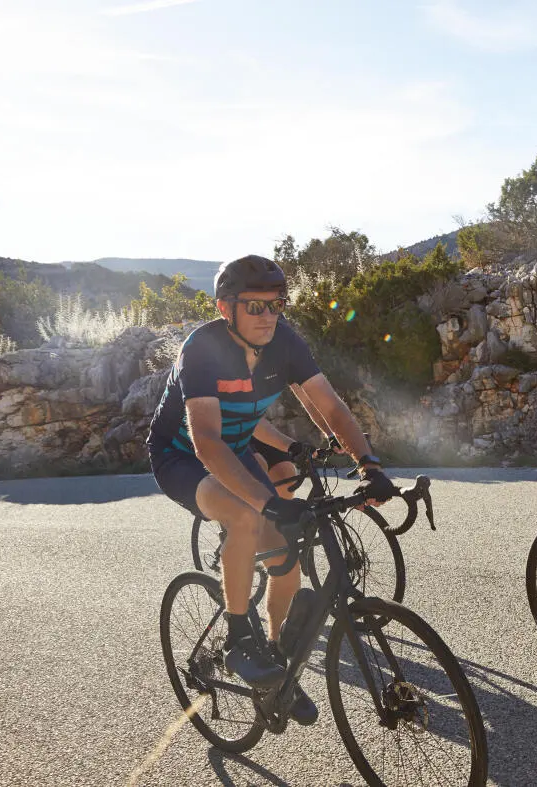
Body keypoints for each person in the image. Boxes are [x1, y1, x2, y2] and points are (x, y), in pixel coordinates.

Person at [147, 254, 399, 720]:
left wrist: (368, 463)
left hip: (237, 448)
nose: (269, 316)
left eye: (276, 304)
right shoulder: (201, 349)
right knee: (246, 515)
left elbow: (330, 406)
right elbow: (205, 441)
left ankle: (277, 668)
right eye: (255, 307)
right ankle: (238, 634)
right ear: (226, 308)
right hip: (181, 457)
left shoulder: (285, 342)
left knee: (288, 568)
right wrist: (266, 501)